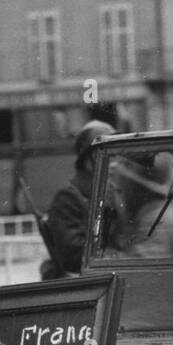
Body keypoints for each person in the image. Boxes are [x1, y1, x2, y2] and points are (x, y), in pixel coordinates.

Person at [39, 119, 114, 278]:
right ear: (90, 160)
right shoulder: (68, 198)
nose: (115, 162)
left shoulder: (106, 192)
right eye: (108, 155)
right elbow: (73, 257)